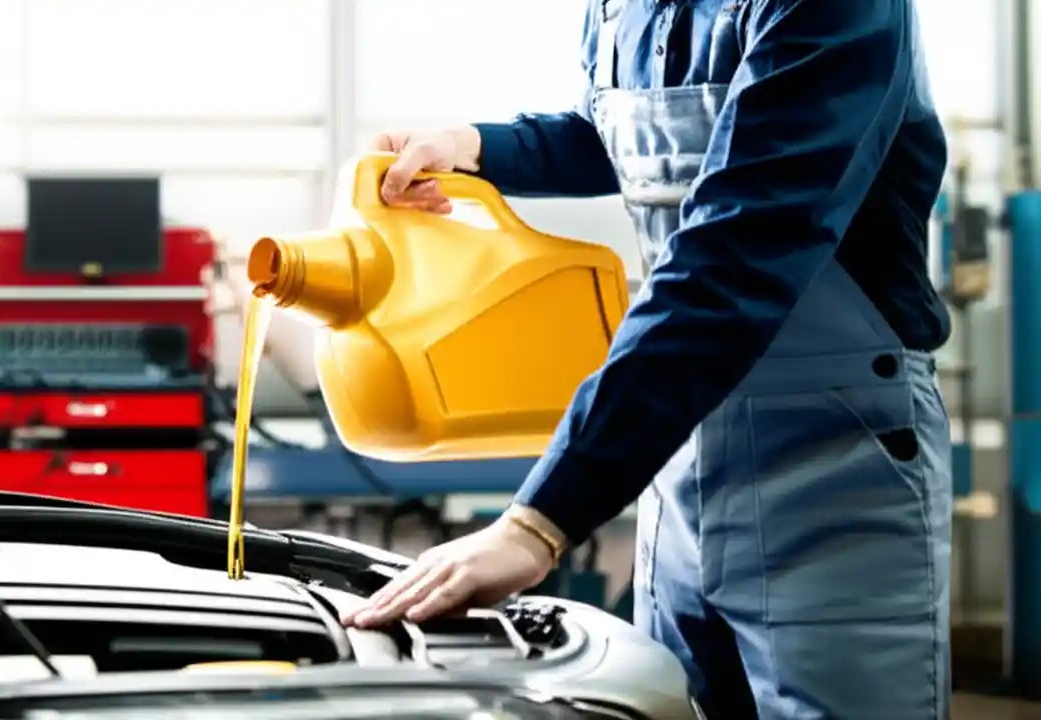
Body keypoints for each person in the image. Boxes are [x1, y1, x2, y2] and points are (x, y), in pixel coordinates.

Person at [341, 1, 953, 718]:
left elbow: (735, 254)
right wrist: (475, 146)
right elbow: (621, 135)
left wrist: (538, 522)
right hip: (685, 454)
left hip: (834, 462)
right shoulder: (623, 11)